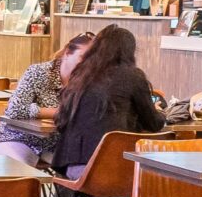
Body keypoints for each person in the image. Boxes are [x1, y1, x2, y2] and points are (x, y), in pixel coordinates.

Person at [50, 24, 164, 171]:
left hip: (73, 164)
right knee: (153, 178)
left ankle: (79, 195)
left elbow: (60, 120)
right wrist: (161, 112)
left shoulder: (80, 74)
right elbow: (153, 123)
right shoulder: (133, 76)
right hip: (117, 167)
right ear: (129, 52)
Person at [0, 32, 95, 164]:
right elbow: (14, 110)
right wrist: (58, 113)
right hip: (18, 137)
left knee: (84, 171)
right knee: (22, 176)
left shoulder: (90, 82)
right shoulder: (38, 72)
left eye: (93, 60)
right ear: (68, 53)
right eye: (83, 57)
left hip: (56, 143)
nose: (88, 64)